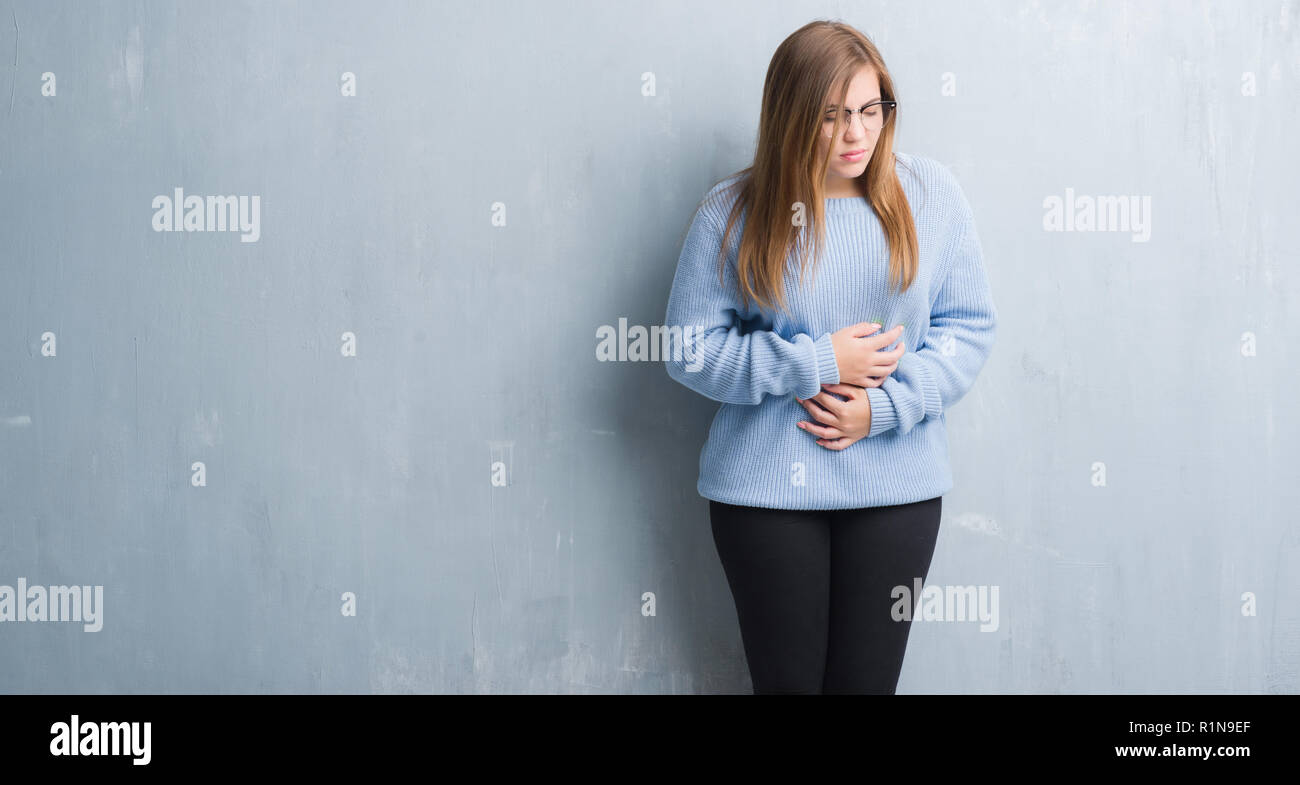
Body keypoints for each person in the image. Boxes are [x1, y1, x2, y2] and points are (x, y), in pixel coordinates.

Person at [662, 20, 998, 694]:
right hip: (764, 498)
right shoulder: (732, 211)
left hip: (896, 492)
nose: (856, 134)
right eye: (831, 116)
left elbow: (968, 329)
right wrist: (815, 361)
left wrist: (881, 409)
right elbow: (687, 349)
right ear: (791, 116)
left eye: (871, 110)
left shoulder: (931, 196)